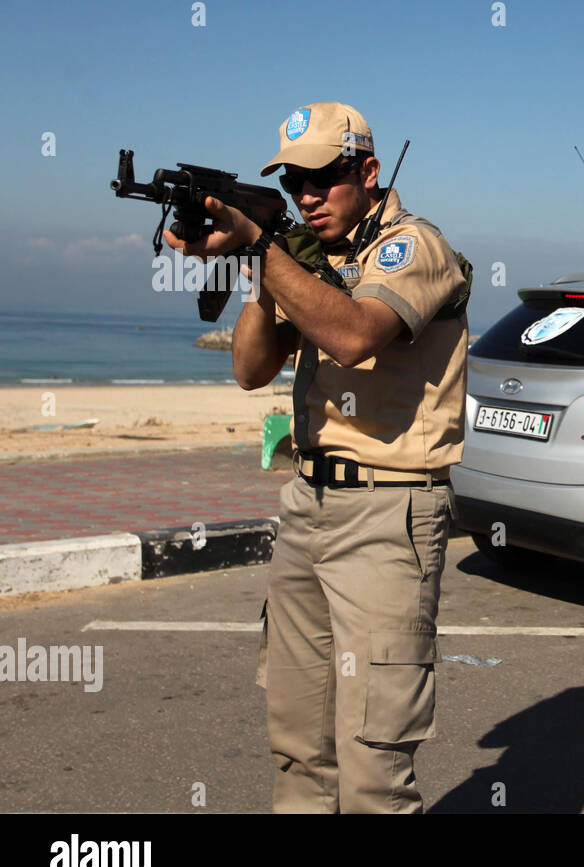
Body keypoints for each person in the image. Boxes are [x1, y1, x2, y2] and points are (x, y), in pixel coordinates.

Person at [165, 101, 469, 812]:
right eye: (293, 183)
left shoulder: (414, 246)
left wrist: (265, 250)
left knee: (374, 762)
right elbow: (249, 368)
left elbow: (357, 335)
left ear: (367, 171)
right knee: (299, 747)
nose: (306, 197)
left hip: (388, 511)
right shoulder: (306, 257)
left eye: (323, 178)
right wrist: (259, 264)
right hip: (309, 503)